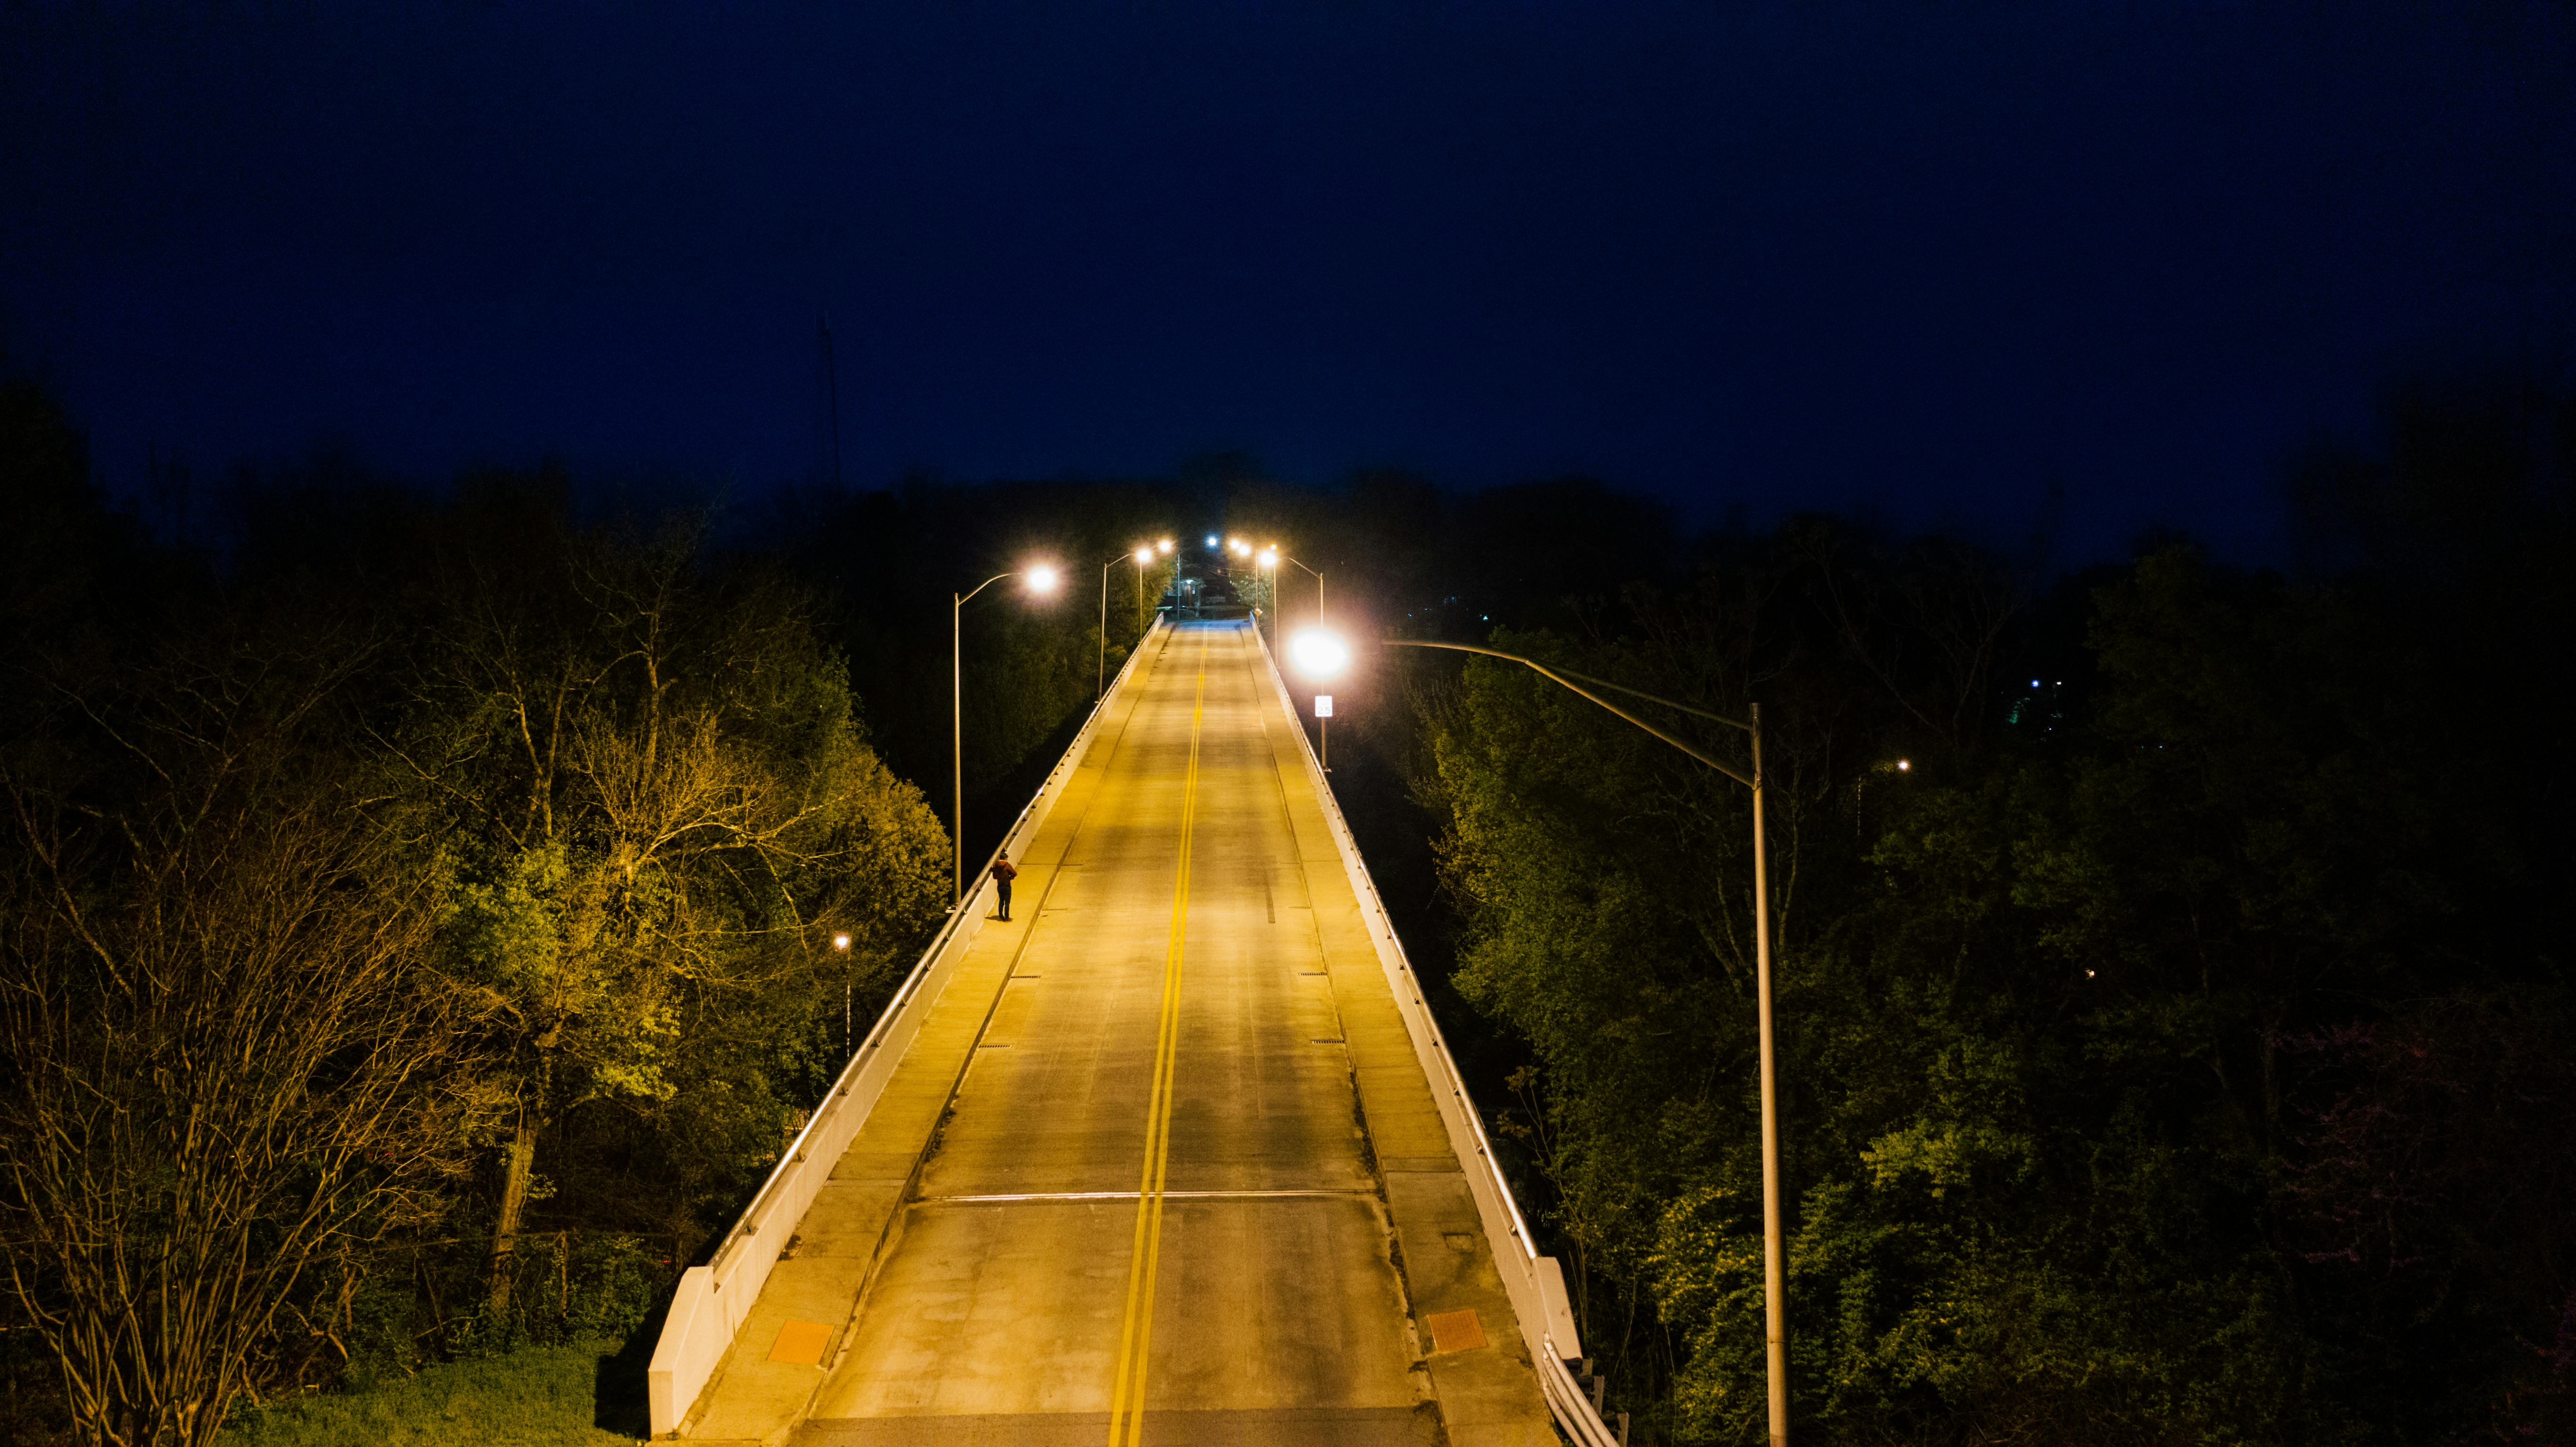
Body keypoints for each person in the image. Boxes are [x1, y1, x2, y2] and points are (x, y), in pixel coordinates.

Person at [990, 850, 1019, 921]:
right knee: (1007, 902)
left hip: (1000, 886)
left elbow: (994, 877)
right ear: (1005, 858)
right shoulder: (1007, 865)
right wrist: (1010, 878)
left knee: (1001, 901)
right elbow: (1015, 873)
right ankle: (1007, 917)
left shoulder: (995, 866)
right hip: (1007, 885)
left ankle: (1001, 917)